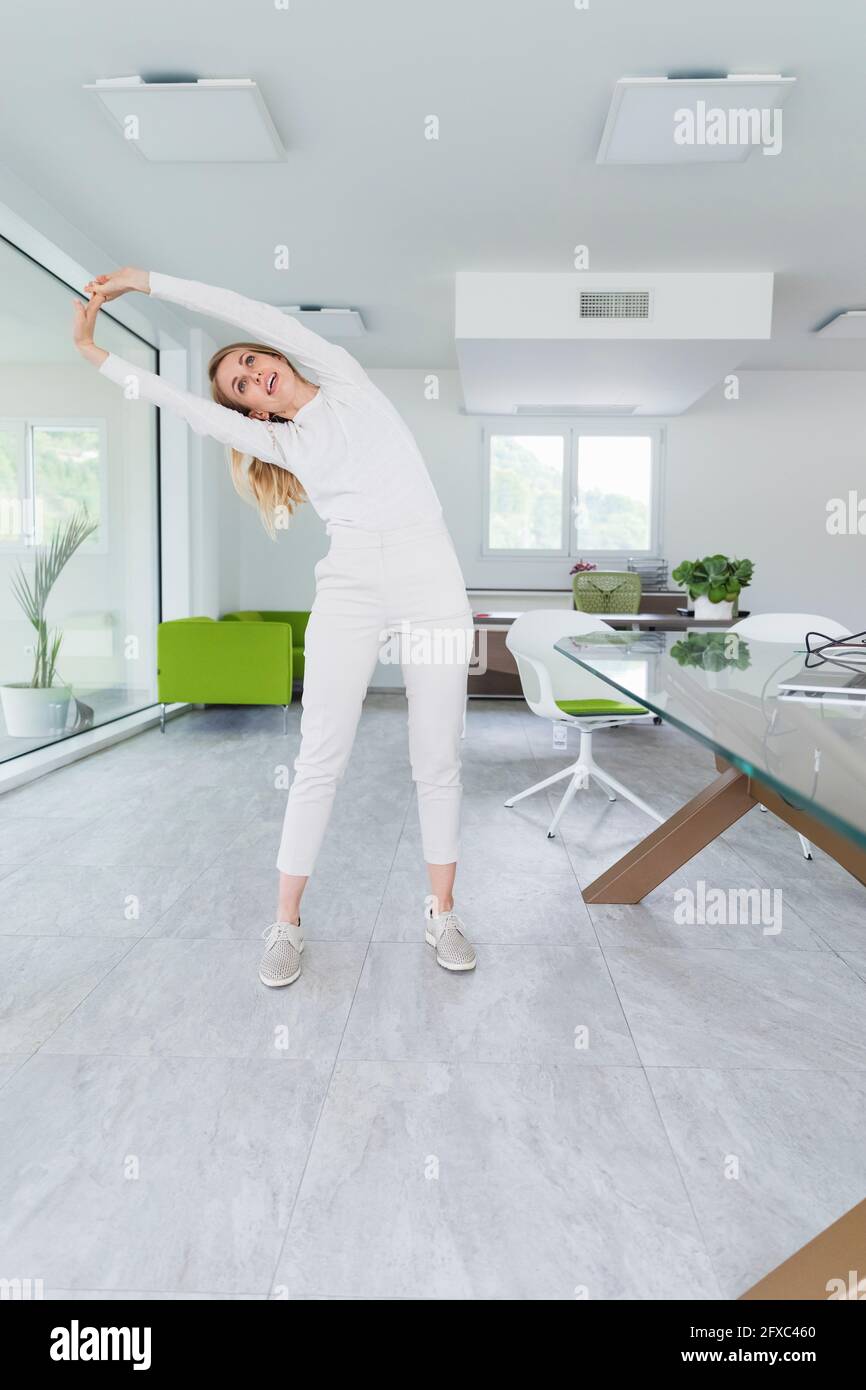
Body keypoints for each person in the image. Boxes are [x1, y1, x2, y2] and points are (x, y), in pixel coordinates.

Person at [72, 268, 476, 986]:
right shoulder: (281, 446)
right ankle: (285, 923)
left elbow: (242, 308)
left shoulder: (346, 379)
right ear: (251, 415)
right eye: (236, 383)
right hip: (351, 584)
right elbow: (177, 402)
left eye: (252, 361)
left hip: (432, 579)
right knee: (321, 754)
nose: (250, 374)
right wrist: (94, 357)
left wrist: (147, 282)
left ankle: (442, 913)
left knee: (437, 753)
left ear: (279, 361)